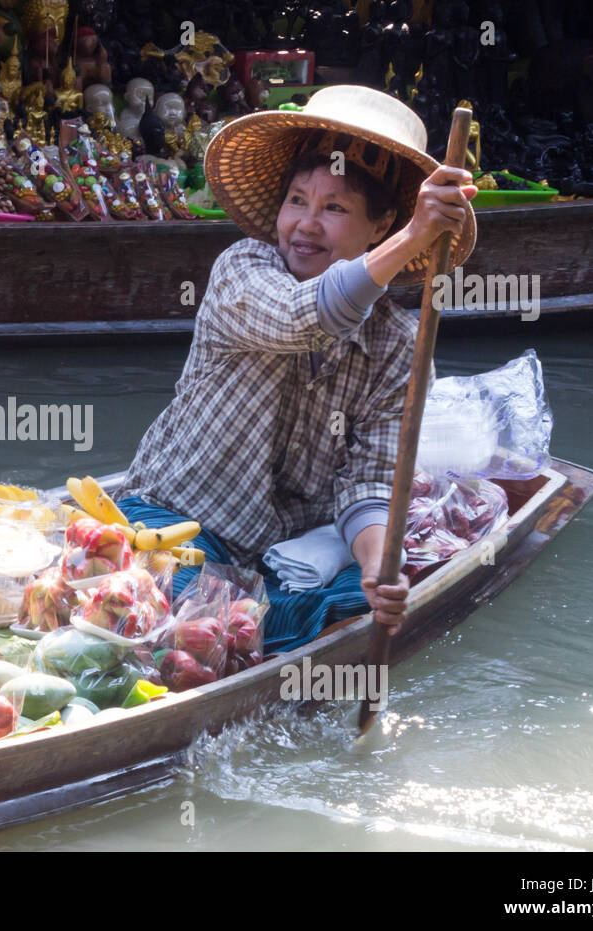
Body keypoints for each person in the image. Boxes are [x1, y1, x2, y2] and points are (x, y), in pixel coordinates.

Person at [116, 85, 477, 643]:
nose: (307, 224)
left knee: (365, 595)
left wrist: (382, 566)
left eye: (334, 208)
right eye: (297, 201)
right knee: (170, 597)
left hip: (277, 558)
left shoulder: (400, 347)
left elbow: (369, 487)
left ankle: (244, 628)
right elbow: (301, 318)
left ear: (379, 225)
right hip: (173, 521)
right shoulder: (244, 269)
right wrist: (416, 237)